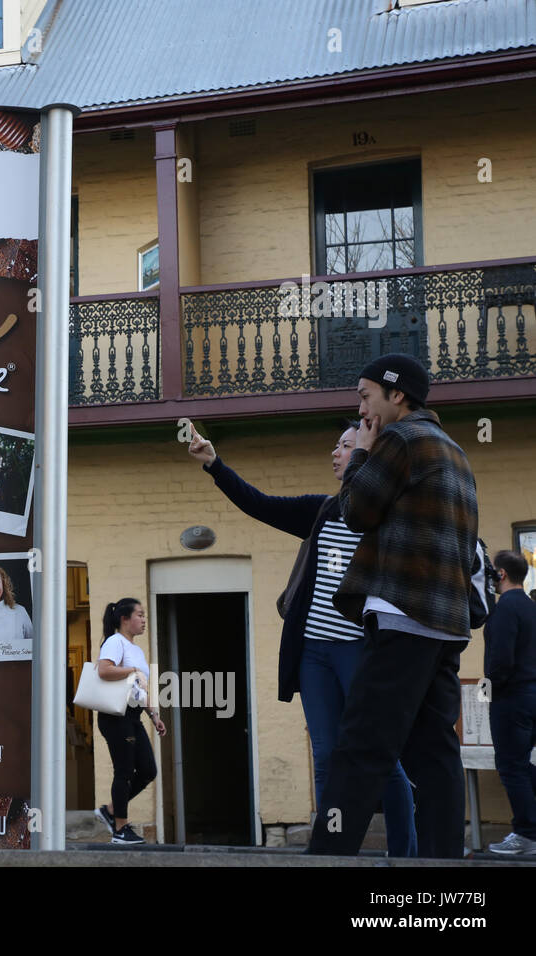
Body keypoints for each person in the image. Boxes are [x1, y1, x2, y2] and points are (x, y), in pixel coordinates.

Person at [188, 423, 417, 857]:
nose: (335, 452)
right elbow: (260, 504)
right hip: (314, 651)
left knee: (378, 754)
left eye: (346, 446)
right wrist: (214, 465)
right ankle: (329, 854)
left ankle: (405, 854)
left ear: (368, 455)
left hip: (359, 651)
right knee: (327, 755)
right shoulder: (321, 511)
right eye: (336, 445)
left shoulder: (385, 517)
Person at [310, 354, 478, 859]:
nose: (360, 408)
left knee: (361, 745)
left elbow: (356, 510)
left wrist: (362, 452)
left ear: (396, 395)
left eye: (365, 396)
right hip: (445, 624)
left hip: (403, 615)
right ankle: (441, 860)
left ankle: (328, 854)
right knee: (434, 751)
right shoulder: (454, 450)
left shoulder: (400, 441)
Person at [93, 599, 166, 845]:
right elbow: (104, 670)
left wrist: (154, 715)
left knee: (147, 770)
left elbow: (139, 688)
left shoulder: (136, 650)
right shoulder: (115, 642)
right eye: (140, 615)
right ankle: (120, 829)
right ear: (125, 619)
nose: (144, 620)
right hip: (115, 715)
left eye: (144, 616)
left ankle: (110, 810)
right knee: (123, 771)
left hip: (132, 715)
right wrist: (132, 670)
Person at [483, 550, 536, 856]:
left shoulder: (505, 610)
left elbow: (500, 662)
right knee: (520, 764)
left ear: (500, 574)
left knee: (510, 767)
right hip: (532, 694)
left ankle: (527, 835)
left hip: (512, 698)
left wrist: (486, 693)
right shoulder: (531, 607)